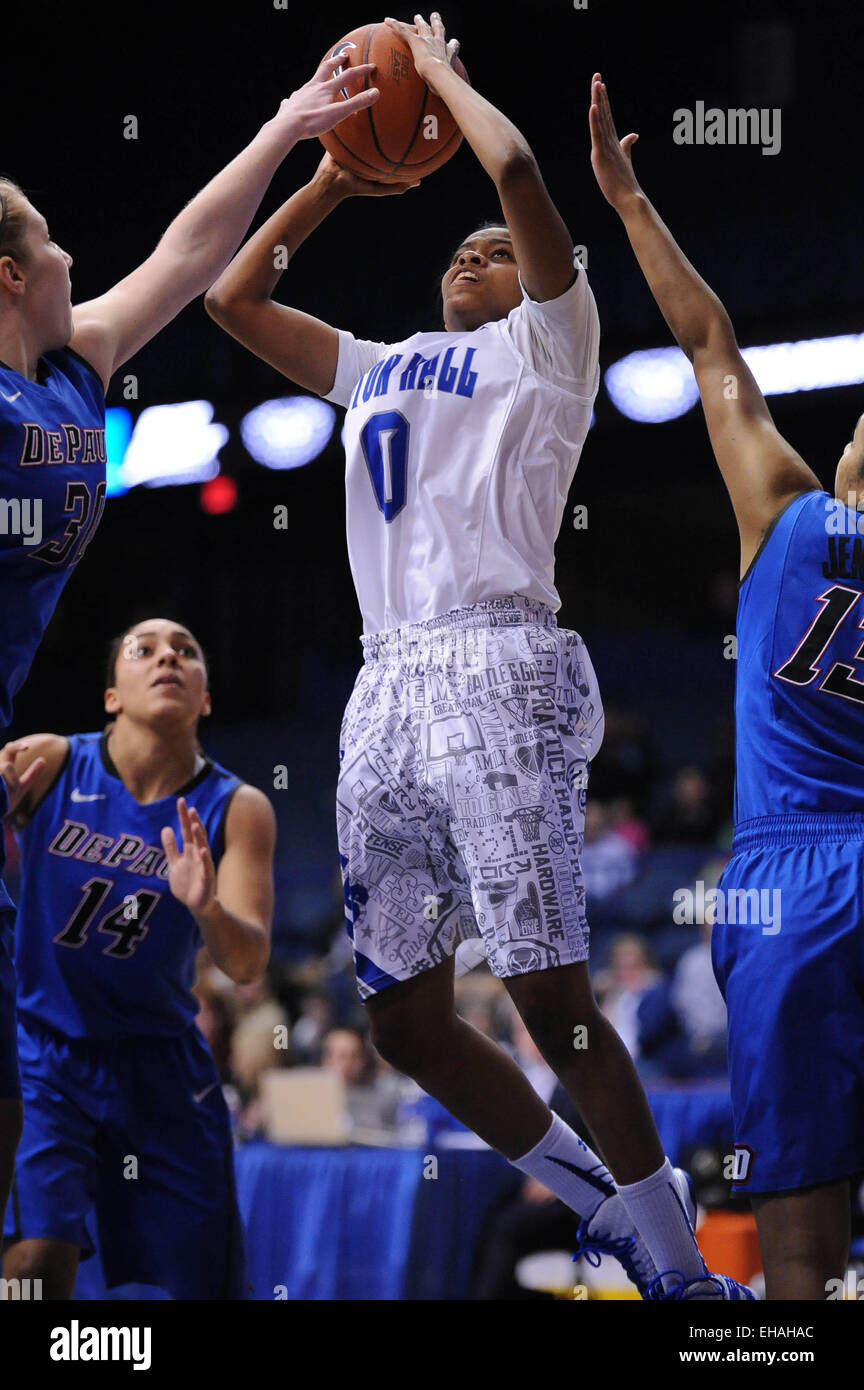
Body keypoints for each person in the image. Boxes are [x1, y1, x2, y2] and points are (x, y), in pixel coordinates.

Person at [205, 13, 751, 1299]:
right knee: (401, 1020)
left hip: (497, 668)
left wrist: (442, 80)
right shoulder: (385, 365)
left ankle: (683, 1279)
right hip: (380, 685)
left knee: (551, 992)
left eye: (496, 253)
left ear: (535, 284)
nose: (474, 249)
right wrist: (336, 174)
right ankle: (605, 1206)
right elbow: (235, 299)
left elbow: (515, 179)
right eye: (456, 245)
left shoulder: (547, 351)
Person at [0, 50, 382, 1232]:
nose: (75, 257)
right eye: (55, 241)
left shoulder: (70, 372)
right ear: (11, 275)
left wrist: (285, 126)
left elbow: (184, 255)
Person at [589, 72, 864, 1298]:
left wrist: (629, 199)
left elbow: (707, 339)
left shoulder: (787, 511)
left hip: (791, 881)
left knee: (796, 1242)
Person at [0, 618, 276, 1298]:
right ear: (111, 696)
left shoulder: (238, 808)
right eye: (144, 649)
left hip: (162, 1068)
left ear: (205, 698)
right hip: (46, 1054)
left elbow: (246, 965)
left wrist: (207, 907)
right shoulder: (51, 763)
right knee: (34, 1267)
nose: (168, 659)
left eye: (187, 650)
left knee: (193, 1287)